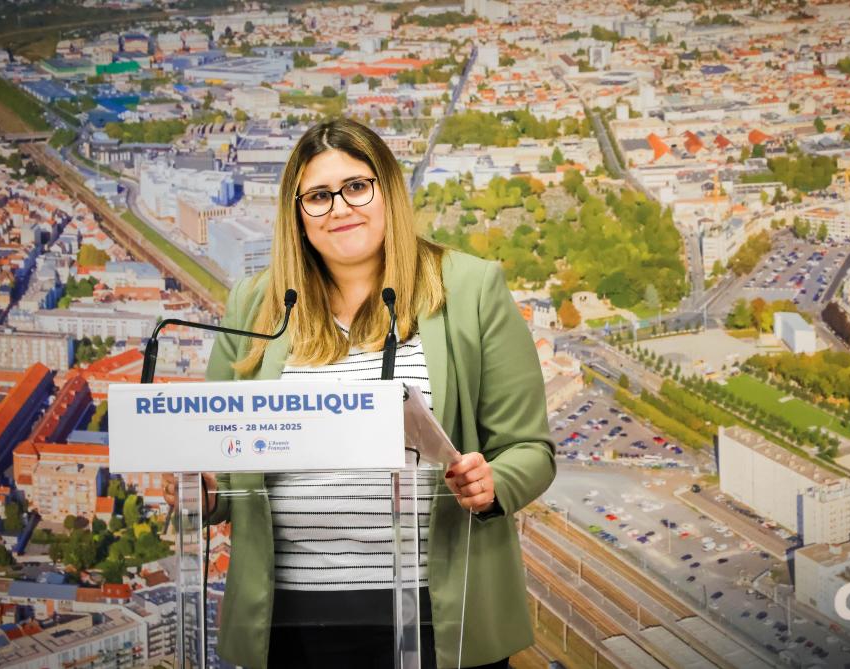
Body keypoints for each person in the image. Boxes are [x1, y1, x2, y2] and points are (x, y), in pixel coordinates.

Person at [165, 118, 556, 669]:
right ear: (297, 215)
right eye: (318, 197)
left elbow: (531, 451)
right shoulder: (254, 304)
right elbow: (229, 463)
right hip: (289, 618)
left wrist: (494, 481)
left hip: (437, 615)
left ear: (387, 191)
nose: (340, 209)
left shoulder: (471, 288)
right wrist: (203, 489)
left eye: (355, 187)